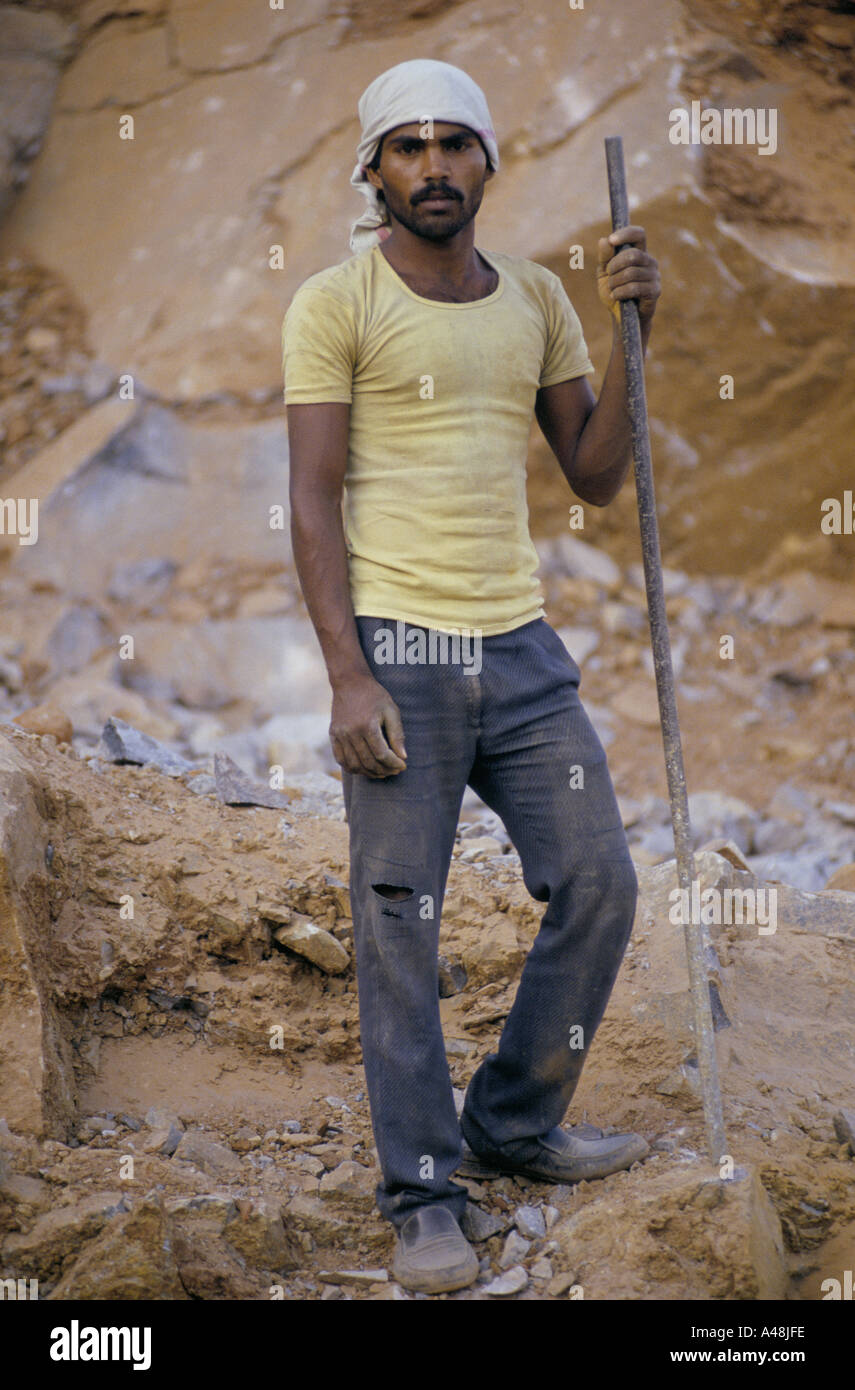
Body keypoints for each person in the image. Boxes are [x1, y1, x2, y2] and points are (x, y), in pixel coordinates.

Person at [281, 58, 662, 1295]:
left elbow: (596, 475)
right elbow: (310, 493)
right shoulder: (336, 304)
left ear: (490, 162)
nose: (434, 165)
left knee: (600, 878)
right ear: (373, 169)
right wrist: (347, 675)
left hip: (523, 645)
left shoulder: (538, 298)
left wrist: (633, 333)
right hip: (403, 642)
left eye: (457, 144)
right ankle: (422, 1194)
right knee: (401, 921)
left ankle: (513, 1119)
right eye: (408, 146)